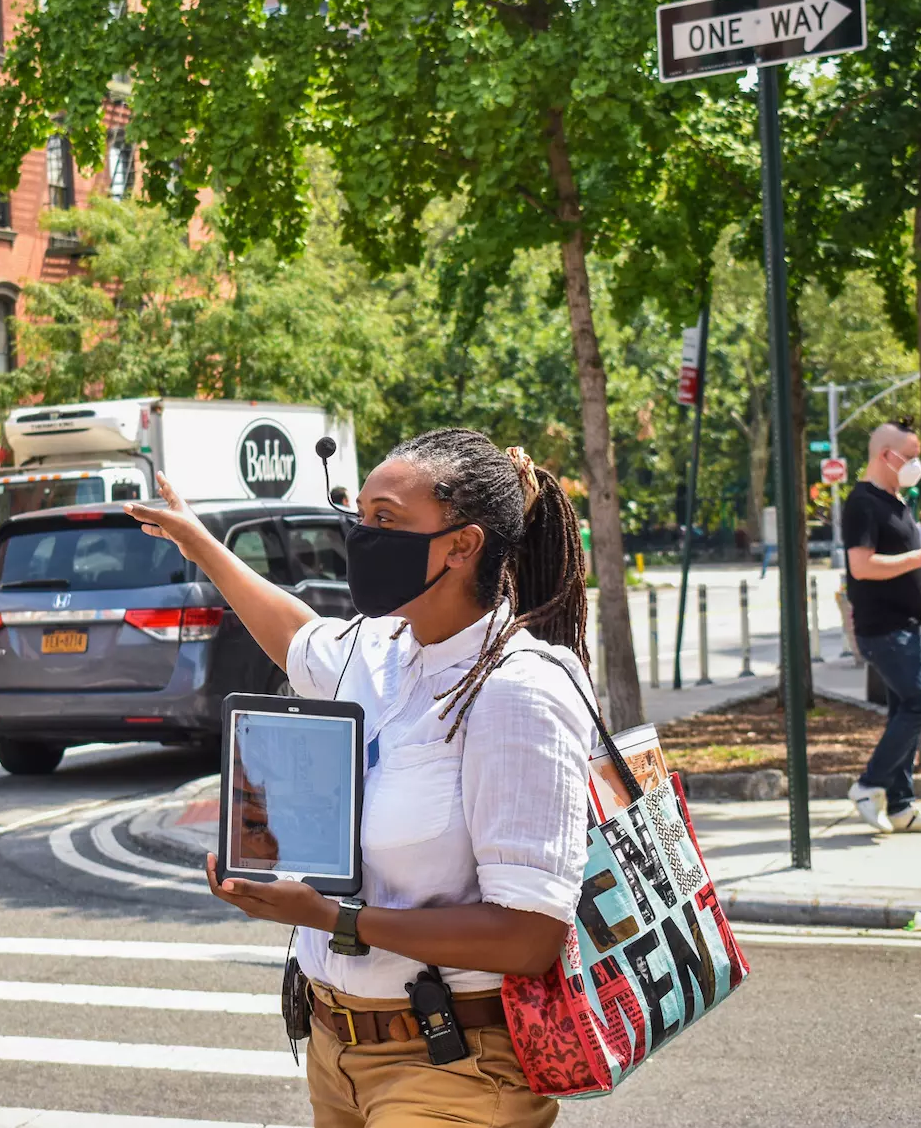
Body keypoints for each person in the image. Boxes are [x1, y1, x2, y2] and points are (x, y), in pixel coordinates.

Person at [126, 429, 595, 1128]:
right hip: (334, 1052)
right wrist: (199, 544)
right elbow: (293, 632)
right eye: (360, 514)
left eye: (386, 520)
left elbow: (528, 936)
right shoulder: (378, 648)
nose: (361, 536)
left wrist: (331, 916)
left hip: (456, 1068)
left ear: (461, 546)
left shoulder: (518, 690)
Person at [841, 421, 921, 835]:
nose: (916, 464)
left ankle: (901, 806)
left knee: (903, 709)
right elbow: (861, 566)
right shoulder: (862, 502)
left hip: (906, 626)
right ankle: (869, 785)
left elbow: (899, 565)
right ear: (885, 455)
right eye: (910, 456)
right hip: (883, 630)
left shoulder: (896, 501)